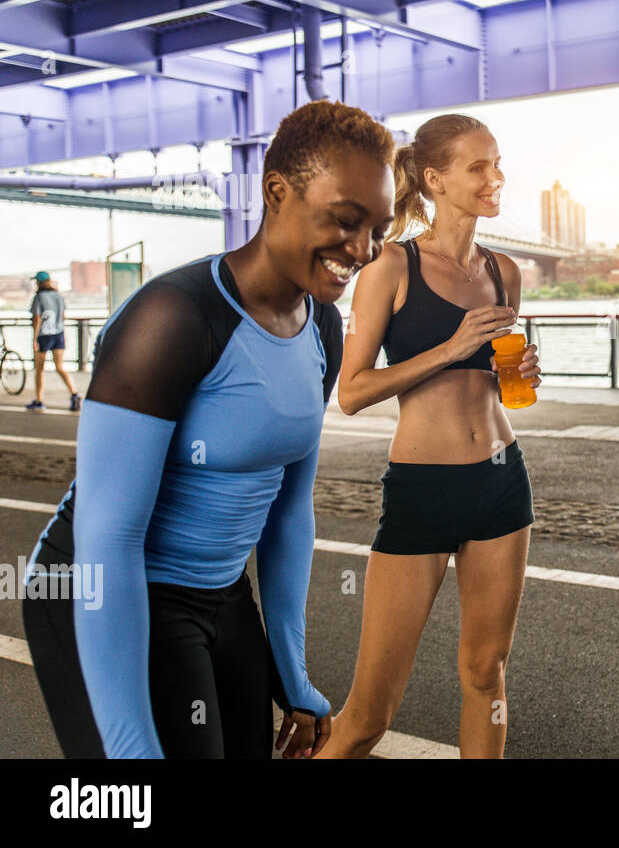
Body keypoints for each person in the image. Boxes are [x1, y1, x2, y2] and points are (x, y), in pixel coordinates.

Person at [22, 99, 395, 758]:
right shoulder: (171, 319)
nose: (362, 250)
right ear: (276, 192)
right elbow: (110, 539)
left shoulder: (323, 327)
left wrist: (292, 673)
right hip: (105, 581)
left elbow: (287, 515)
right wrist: (133, 752)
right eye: (345, 221)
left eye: (378, 230)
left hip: (220, 591)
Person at [318, 114, 540, 760]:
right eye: (479, 166)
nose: (496, 177)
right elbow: (353, 391)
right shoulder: (391, 265)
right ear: (436, 179)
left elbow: (494, 382)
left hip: (502, 479)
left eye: (497, 162)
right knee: (368, 714)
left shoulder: (505, 270)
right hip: (423, 485)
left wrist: (515, 372)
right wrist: (451, 347)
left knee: (486, 672)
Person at [27, 271, 80, 412]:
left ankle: (39, 400)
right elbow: (63, 317)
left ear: (38, 282)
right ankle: (74, 393)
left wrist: (34, 339)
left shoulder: (38, 297)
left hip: (44, 336)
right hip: (58, 334)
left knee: (39, 369)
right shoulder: (59, 296)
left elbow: (37, 319)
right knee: (60, 367)